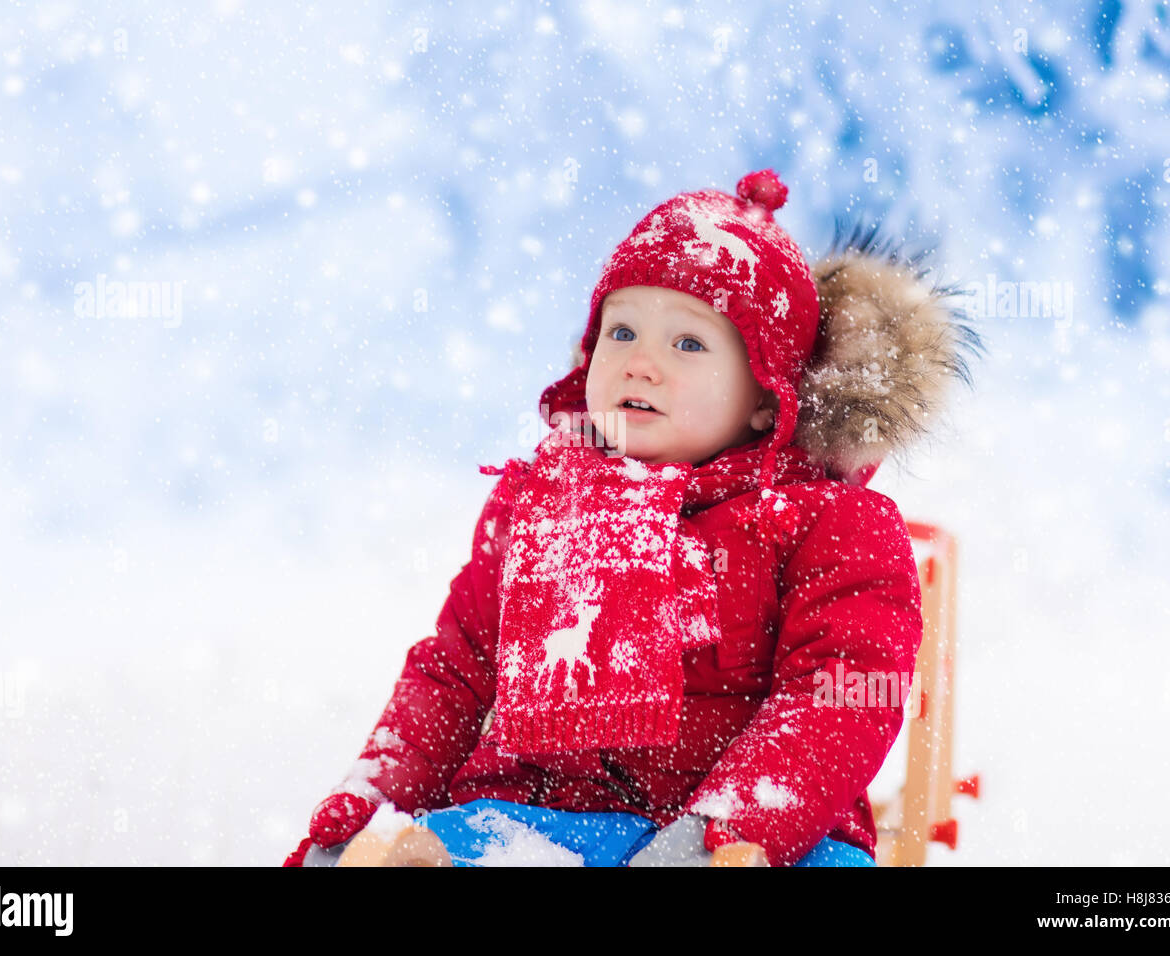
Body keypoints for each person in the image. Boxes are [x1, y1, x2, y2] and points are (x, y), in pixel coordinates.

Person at [284, 169, 980, 867]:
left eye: (688, 344)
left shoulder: (829, 525)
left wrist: (725, 833)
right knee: (452, 850)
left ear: (767, 394)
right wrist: (363, 811)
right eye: (621, 331)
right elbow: (453, 674)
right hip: (543, 824)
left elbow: (840, 695)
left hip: (761, 837)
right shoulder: (541, 504)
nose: (640, 363)